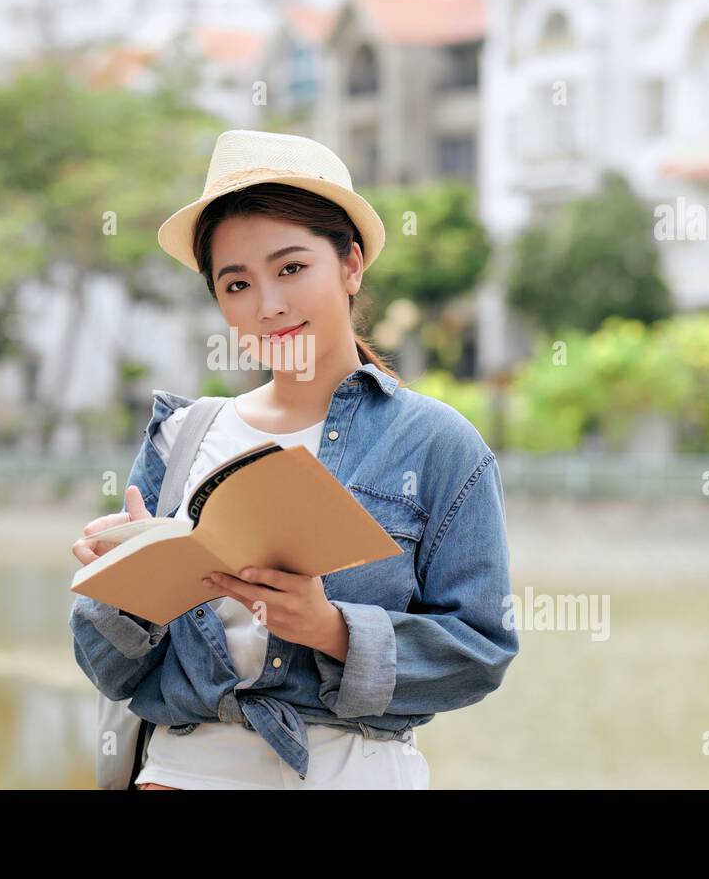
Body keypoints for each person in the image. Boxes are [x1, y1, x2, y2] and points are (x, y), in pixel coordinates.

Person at [70, 129, 518, 789]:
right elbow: (108, 669)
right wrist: (128, 593)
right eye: (236, 283)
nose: (268, 305)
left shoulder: (437, 444)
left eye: (291, 268)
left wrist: (333, 630)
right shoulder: (183, 437)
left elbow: (481, 651)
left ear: (351, 265)